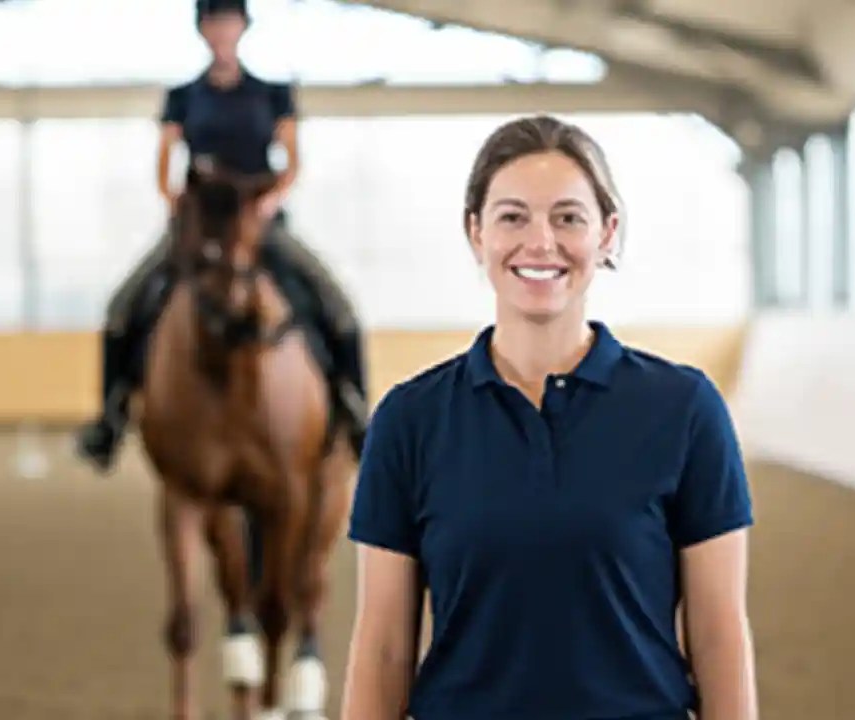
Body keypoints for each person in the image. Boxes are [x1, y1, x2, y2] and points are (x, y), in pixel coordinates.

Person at [340, 115, 758, 720]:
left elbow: (720, 638)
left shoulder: (686, 409)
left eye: (568, 217)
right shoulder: (409, 419)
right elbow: (381, 648)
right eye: (513, 216)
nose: (540, 243)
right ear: (475, 231)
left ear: (607, 233)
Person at [74, 0, 368, 473]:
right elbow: (165, 160)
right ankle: (110, 417)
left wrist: (267, 203)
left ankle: (355, 410)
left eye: (228, 21)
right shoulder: (184, 96)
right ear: (203, 30)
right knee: (122, 307)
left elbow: (291, 162)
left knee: (337, 304)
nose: (221, 30)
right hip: (198, 225)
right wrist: (175, 201)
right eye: (213, 22)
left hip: (258, 221)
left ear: (243, 27)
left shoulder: (273, 93)